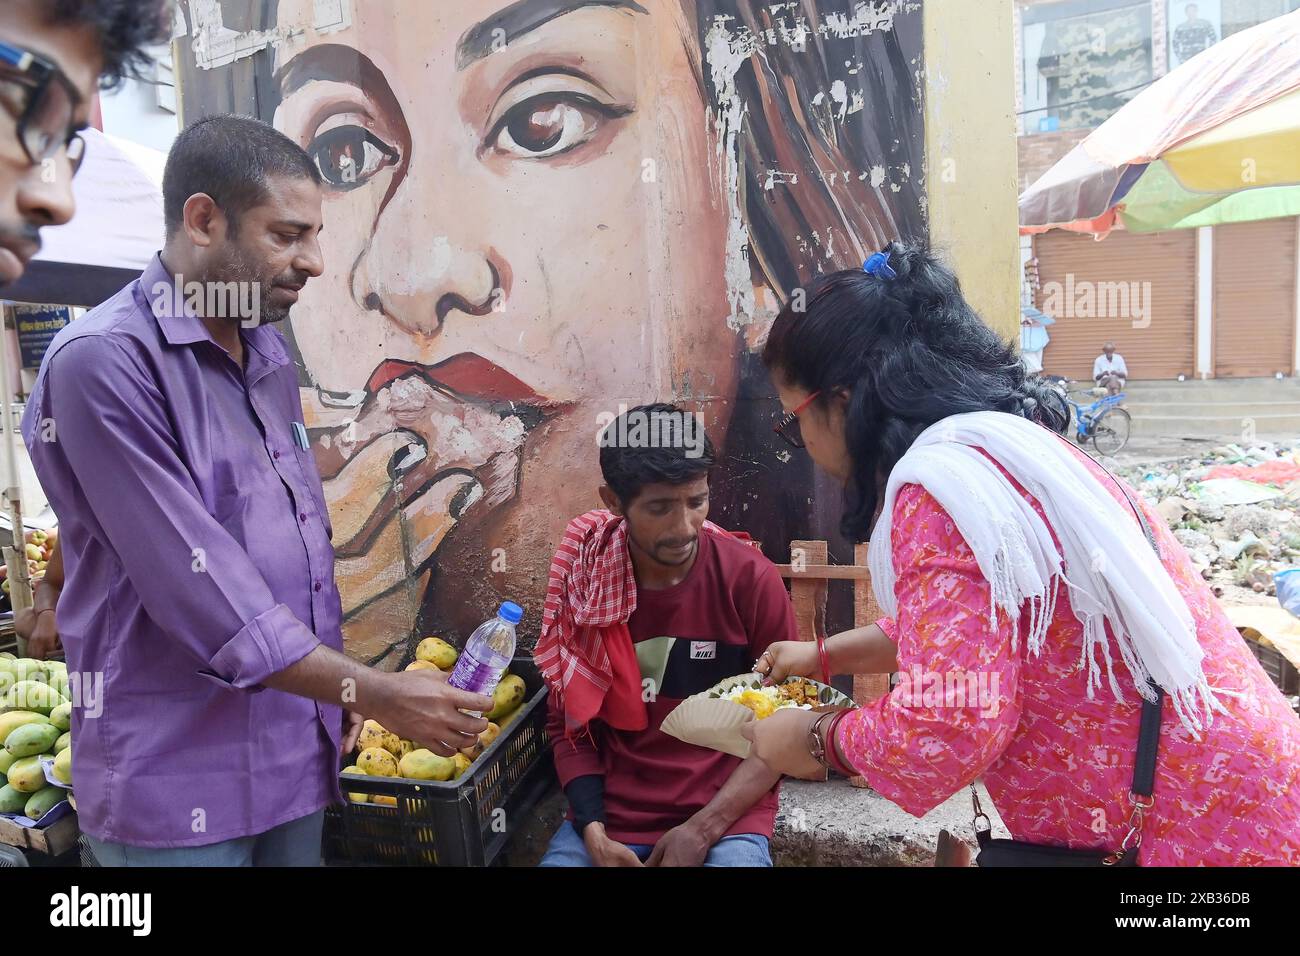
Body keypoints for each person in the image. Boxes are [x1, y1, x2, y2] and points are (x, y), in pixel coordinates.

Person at [176, 0, 926, 664]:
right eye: (346, 153)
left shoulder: (759, 583)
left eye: (544, 121)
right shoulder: (202, 395)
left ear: (749, 216)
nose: (412, 275)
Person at [21, 114, 494, 866]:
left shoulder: (264, 350)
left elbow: (297, 544)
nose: (312, 261)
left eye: (315, 235)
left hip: (289, 752)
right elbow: (199, 588)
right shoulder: (104, 364)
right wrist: (367, 691)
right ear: (203, 219)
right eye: (286, 235)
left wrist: (330, 701)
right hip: (175, 782)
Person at [745, 242, 1300, 865]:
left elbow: (952, 720)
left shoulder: (938, 490)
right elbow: (975, 629)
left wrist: (818, 737)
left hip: (1191, 830)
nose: (803, 444)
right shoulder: (1003, 453)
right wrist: (820, 654)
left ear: (842, 401)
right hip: (1238, 793)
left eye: (793, 422)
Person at [534, 404, 797, 867]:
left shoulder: (749, 581)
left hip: (725, 820)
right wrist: (592, 830)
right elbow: (568, 727)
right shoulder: (588, 582)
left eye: (696, 502)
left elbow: (787, 728)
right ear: (613, 501)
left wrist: (703, 829)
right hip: (609, 821)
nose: (683, 528)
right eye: (659, 508)